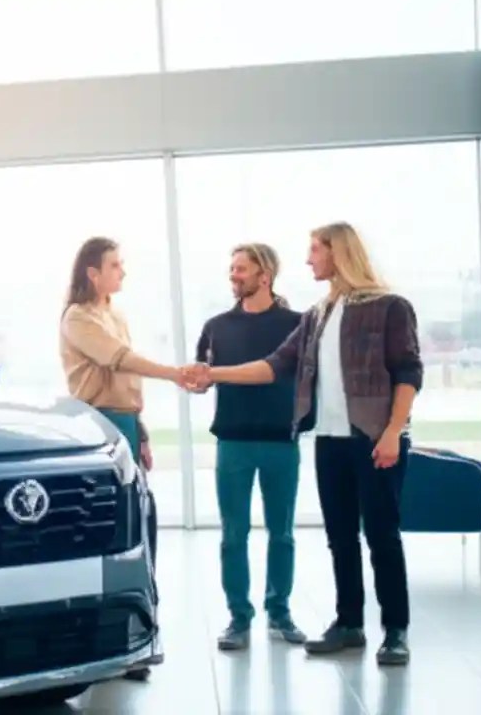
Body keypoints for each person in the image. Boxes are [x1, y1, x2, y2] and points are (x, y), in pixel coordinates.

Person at [186, 222, 422, 667]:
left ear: (339, 253)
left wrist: (394, 430)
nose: (309, 259)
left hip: (374, 439)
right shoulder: (317, 315)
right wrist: (211, 373)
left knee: (382, 537)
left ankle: (395, 631)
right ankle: (349, 623)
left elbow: (408, 370)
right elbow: (274, 366)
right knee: (340, 538)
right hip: (329, 442)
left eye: (315, 250)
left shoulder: (390, 307)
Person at [59, 236, 187, 680]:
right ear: (92, 273)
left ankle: (137, 631)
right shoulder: (78, 318)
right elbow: (120, 361)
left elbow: (128, 380)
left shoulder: (115, 314)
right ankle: (112, 641)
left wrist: (144, 431)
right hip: (98, 424)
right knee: (112, 533)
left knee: (142, 528)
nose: (122, 272)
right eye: (115, 264)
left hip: (127, 423)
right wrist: (175, 374)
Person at [192, 243, 306, 651]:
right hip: (233, 442)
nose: (234, 275)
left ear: (265, 274)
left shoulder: (299, 323)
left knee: (283, 533)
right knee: (232, 534)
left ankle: (280, 612)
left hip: (281, 441)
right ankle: (239, 618)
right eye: (231, 269)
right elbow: (201, 379)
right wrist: (196, 379)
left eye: (241, 268)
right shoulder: (216, 326)